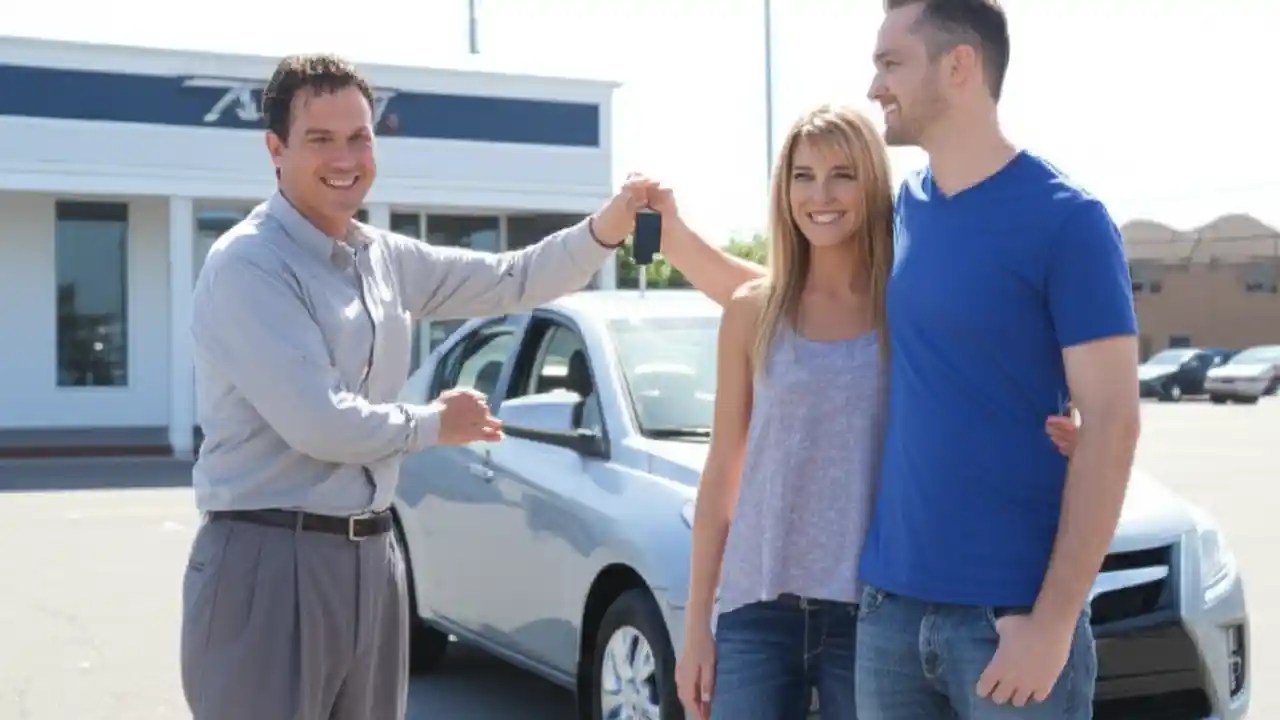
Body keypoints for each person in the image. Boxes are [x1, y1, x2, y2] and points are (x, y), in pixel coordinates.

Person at [658, 1, 1141, 717]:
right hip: (886, 614)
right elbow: (796, 295)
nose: (876, 84)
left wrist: (1054, 621)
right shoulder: (903, 215)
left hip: (1005, 617)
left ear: (959, 65)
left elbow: (1112, 421)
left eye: (891, 63)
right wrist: (673, 240)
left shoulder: (1066, 220)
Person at [180, 53, 651, 720]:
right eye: (321, 139)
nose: (346, 157)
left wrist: (608, 227)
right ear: (275, 149)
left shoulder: (382, 257)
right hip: (268, 561)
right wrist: (435, 424)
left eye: (360, 137)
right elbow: (320, 423)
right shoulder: (249, 265)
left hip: (372, 557)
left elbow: (510, 279)